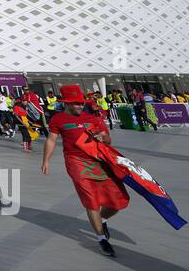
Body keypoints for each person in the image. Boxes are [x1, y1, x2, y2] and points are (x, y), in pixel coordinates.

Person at [42, 84, 128, 257]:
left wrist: (103, 137)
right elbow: (51, 140)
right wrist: (46, 160)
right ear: (66, 103)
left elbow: (108, 140)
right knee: (91, 199)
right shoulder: (58, 120)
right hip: (76, 161)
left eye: (81, 103)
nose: (80, 106)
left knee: (118, 200)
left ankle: (102, 220)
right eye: (75, 103)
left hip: (99, 161)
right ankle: (101, 239)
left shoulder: (94, 118)